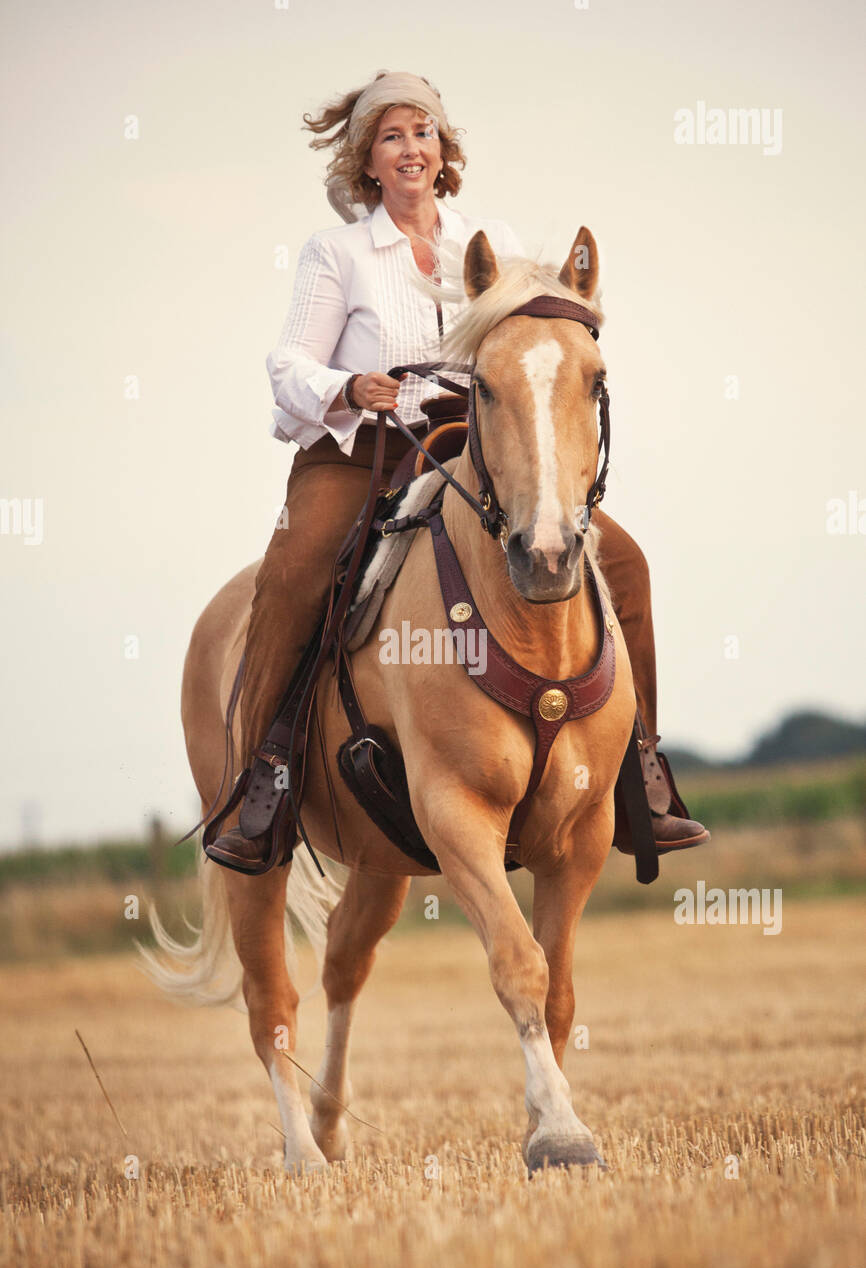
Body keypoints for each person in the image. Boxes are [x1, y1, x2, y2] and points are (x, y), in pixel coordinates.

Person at [206, 69, 708, 873]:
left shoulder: (488, 241)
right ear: (369, 162)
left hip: (471, 443)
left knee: (627, 563)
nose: (411, 149)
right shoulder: (336, 254)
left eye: (424, 133)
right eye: (392, 137)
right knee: (297, 574)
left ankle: (640, 771)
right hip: (362, 451)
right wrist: (347, 385)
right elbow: (286, 363)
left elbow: (533, 342)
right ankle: (265, 776)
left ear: (445, 151)